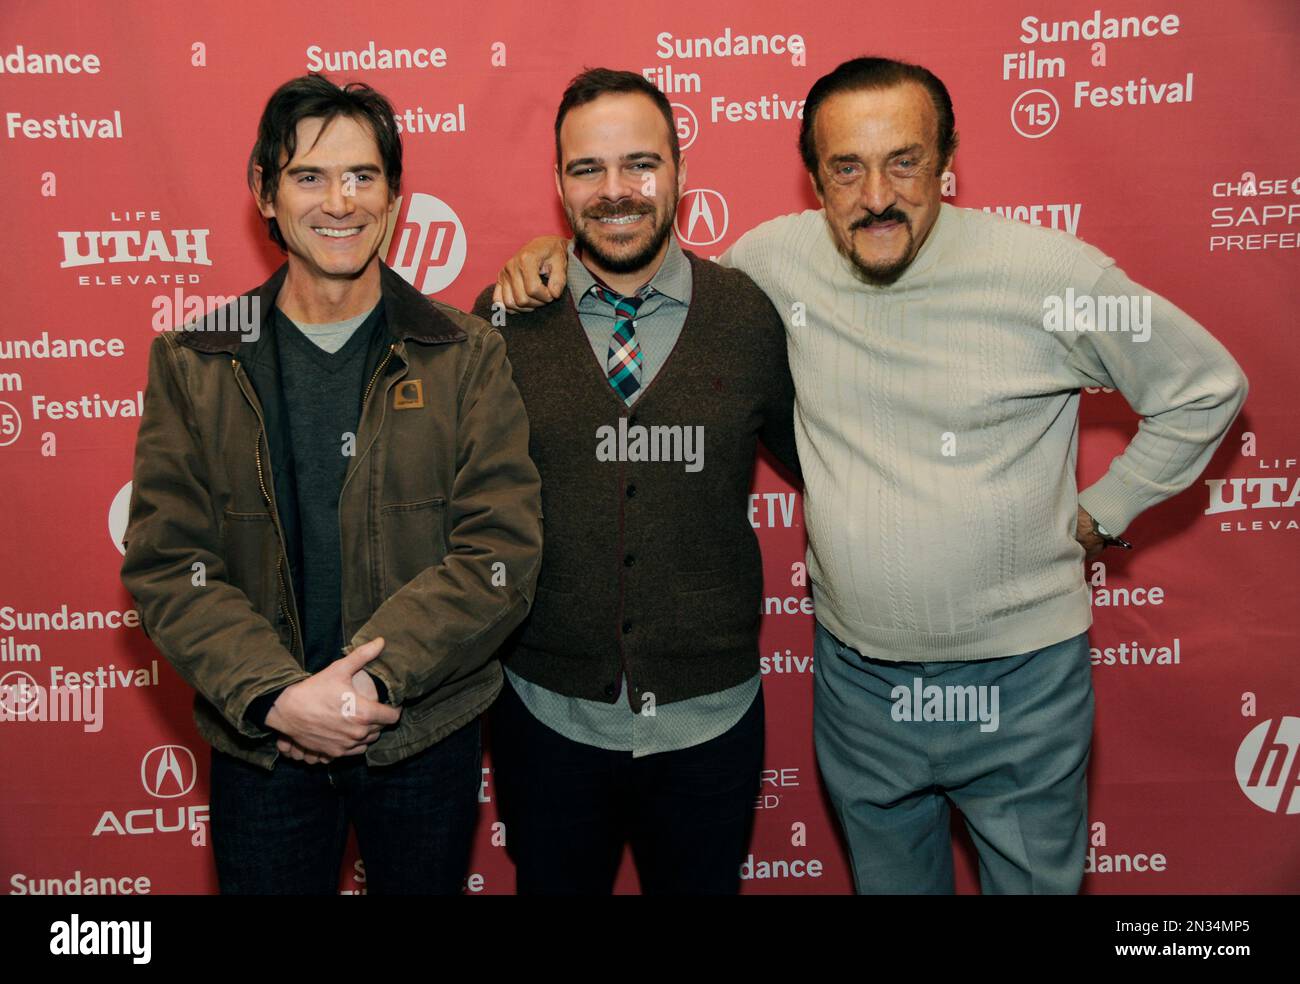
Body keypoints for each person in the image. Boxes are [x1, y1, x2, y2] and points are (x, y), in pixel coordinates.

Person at [491, 56, 1248, 894]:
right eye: (846, 167)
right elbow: (644, 264)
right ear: (813, 178)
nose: (876, 194)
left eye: (905, 161)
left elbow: (1206, 387)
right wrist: (545, 255)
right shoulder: (772, 268)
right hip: (861, 683)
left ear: (948, 160)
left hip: (1022, 679)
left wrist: (1107, 507)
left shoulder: (1052, 275)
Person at [120, 74, 543, 895]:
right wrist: (279, 695)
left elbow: (499, 551)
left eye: (362, 176)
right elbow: (169, 564)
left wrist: (370, 683)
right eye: (308, 177)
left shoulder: (464, 352)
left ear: (393, 196)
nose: (339, 202)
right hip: (264, 745)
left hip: (420, 732)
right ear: (264, 194)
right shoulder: (196, 359)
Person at [471, 68, 799, 895]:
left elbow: (830, 463)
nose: (616, 191)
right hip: (547, 715)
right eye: (588, 169)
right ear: (558, 184)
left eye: (640, 164)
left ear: (681, 174)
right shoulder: (506, 319)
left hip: (708, 718)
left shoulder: (748, 317)